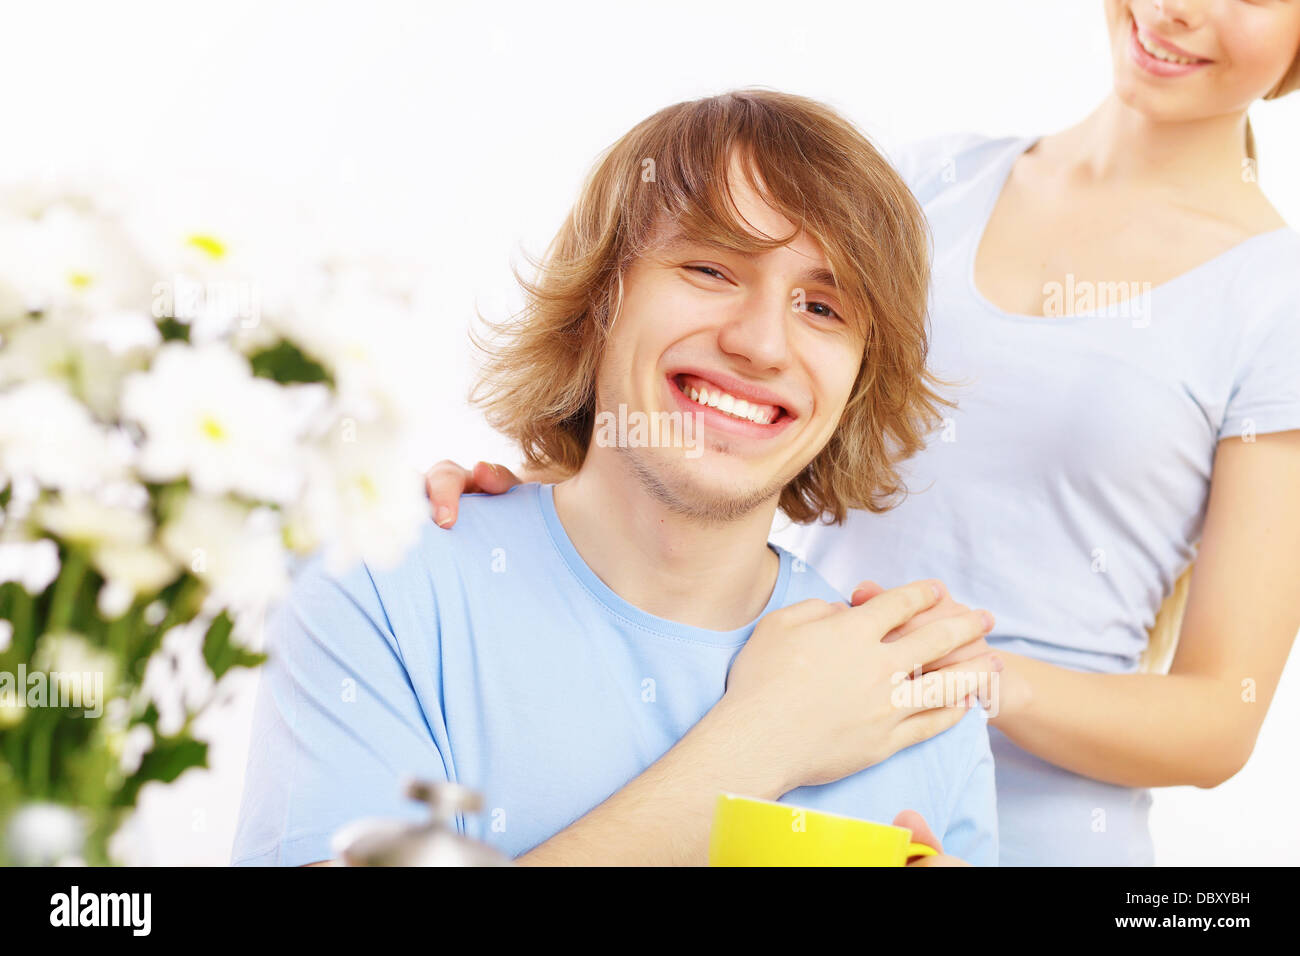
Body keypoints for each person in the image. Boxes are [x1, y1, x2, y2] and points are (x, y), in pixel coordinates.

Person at [427, 2, 1300, 865]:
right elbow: (724, 395)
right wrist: (540, 512)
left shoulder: (1277, 304)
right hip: (796, 787)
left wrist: (959, 673)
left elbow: (1223, 715)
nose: (1183, 10)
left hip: (1044, 833)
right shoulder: (927, 184)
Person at [232, 90, 1002, 867]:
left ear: (859, 379)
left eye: (823, 308)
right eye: (710, 268)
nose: (762, 342)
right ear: (600, 297)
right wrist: (768, 739)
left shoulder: (914, 698)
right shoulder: (379, 591)